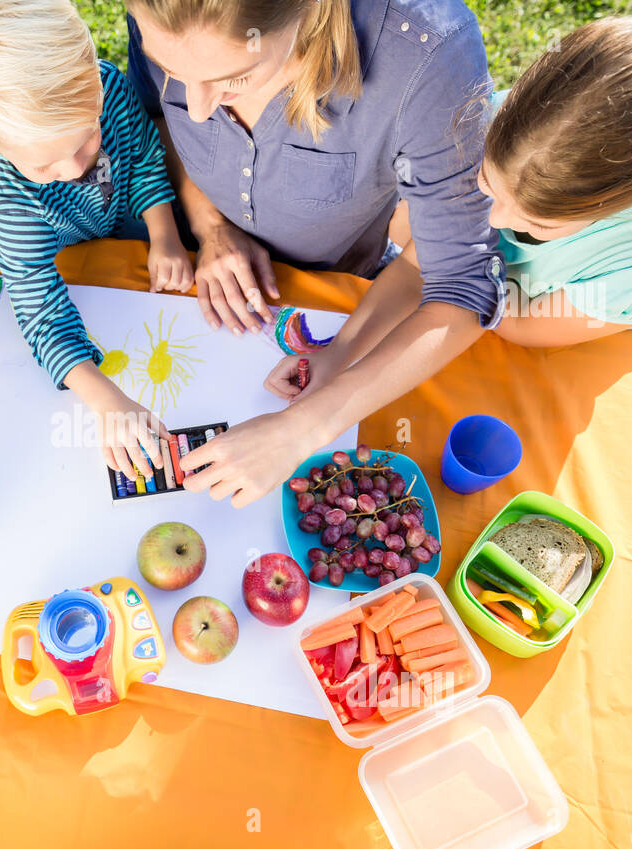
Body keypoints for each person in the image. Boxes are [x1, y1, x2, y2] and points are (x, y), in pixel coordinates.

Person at [124, 0, 504, 507]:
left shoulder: (425, 52)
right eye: (173, 72)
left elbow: (461, 286)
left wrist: (302, 430)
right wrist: (210, 225)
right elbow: (154, 116)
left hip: (343, 285)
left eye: (234, 79)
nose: (196, 108)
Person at [0, 0, 193, 480]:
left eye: (87, 139)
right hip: (77, 262)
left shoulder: (109, 87)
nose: (75, 168)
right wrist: (106, 399)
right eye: (45, 165)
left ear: (93, 81)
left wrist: (165, 234)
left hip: (131, 230)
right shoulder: (10, 194)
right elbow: (38, 306)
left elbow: (141, 155)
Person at [476, 17, 632, 345]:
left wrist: (457, 263)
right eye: (487, 182)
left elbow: (523, 327)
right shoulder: (510, 131)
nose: (494, 218)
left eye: (539, 224)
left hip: (589, 333)